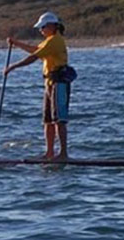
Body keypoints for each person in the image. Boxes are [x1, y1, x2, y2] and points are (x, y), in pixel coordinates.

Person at [5, 11, 74, 160]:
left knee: (59, 120)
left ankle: (63, 154)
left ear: (51, 26)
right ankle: (49, 153)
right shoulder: (48, 41)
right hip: (49, 83)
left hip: (59, 83)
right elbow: (35, 50)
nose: (40, 30)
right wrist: (16, 43)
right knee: (48, 121)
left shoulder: (55, 40)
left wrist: (12, 67)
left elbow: (33, 57)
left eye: (42, 27)